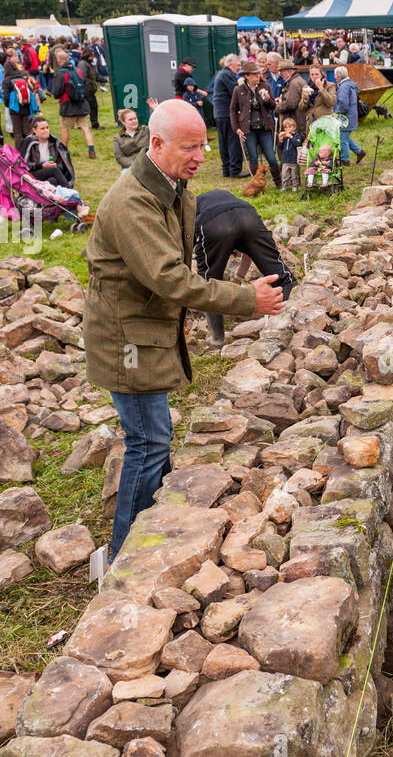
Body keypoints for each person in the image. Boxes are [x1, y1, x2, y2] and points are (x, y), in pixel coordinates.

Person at [83, 100, 285, 560]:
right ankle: (121, 559)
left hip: (144, 330)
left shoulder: (172, 185)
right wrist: (246, 299)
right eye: (190, 146)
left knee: (153, 439)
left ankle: (148, 533)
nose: (201, 155)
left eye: (204, 145)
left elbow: (177, 268)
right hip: (126, 341)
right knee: (148, 442)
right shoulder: (133, 202)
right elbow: (170, 278)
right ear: (156, 144)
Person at [194, 188, 297, 347]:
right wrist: (238, 279)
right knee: (281, 276)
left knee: (209, 282)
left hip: (213, 223)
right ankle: (293, 320)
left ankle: (217, 337)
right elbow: (250, 251)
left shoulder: (189, 208)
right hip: (248, 217)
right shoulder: (221, 197)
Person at [230, 60, 280, 187]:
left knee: (271, 157)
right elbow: (233, 110)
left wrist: (268, 100)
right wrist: (236, 128)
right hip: (248, 129)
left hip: (264, 128)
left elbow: (273, 106)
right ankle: (256, 184)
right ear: (246, 76)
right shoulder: (238, 90)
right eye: (254, 75)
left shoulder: (266, 87)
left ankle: (279, 183)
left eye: (258, 75)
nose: (257, 77)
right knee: (253, 158)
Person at [20, 114, 76, 187]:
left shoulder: (54, 143)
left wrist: (56, 165)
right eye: (42, 128)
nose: (46, 130)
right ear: (34, 130)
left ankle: (51, 197)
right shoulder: (28, 143)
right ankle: (70, 193)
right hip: (32, 174)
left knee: (53, 181)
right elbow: (23, 165)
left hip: (51, 173)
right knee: (53, 170)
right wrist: (42, 166)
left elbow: (61, 163)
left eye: (47, 128)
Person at [212, 54, 243, 178]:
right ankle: (234, 170)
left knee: (223, 141)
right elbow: (236, 92)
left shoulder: (221, 74)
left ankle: (226, 169)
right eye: (238, 65)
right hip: (226, 112)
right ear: (230, 65)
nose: (239, 68)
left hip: (219, 113)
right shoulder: (227, 75)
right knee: (232, 141)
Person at [2, 60, 40, 149]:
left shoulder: (7, 81)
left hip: (14, 109)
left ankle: (20, 151)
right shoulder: (22, 78)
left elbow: (6, 96)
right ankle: (31, 148)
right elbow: (30, 91)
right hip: (26, 106)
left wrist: (8, 105)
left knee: (17, 131)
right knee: (27, 130)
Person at [334, 65, 365, 165]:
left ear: (339, 76)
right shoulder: (349, 84)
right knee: (344, 137)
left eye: (335, 75)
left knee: (343, 138)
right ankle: (359, 152)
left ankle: (345, 160)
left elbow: (343, 104)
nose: (334, 77)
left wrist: (336, 113)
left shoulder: (343, 87)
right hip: (351, 115)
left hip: (345, 117)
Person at [113, 101, 158, 170]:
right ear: (123, 122)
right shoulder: (118, 138)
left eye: (135, 118)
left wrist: (156, 111)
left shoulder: (145, 130)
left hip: (149, 163)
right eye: (130, 120)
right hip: (130, 167)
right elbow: (119, 157)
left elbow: (160, 127)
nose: (134, 121)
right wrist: (135, 165)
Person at [276, 60, 315, 139]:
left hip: (295, 122)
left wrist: (277, 106)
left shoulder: (294, 83)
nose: (280, 74)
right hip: (299, 121)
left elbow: (290, 104)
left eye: (282, 71)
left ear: (288, 71)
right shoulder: (297, 80)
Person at [277, 114, 302, 191]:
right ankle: (284, 186)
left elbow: (297, 144)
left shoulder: (297, 136)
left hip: (294, 159)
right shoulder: (284, 137)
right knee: (285, 174)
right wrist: (280, 141)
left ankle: (295, 186)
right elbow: (280, 147)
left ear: (294, 127)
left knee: (294, 175)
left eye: (289, 127)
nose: (287, 129)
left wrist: (291, 137)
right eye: (286, 127)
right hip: (285, 160)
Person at [80, 46, 101, 129]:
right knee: (92, 107)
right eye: (92, 54)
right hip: (86, 90)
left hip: (90, 89)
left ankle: (93, 123)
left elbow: (95, 76)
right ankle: (94, 124)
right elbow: (82, 77)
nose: (93, 56)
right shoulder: (83, 64)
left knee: (92, 107)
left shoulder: (90, 63)